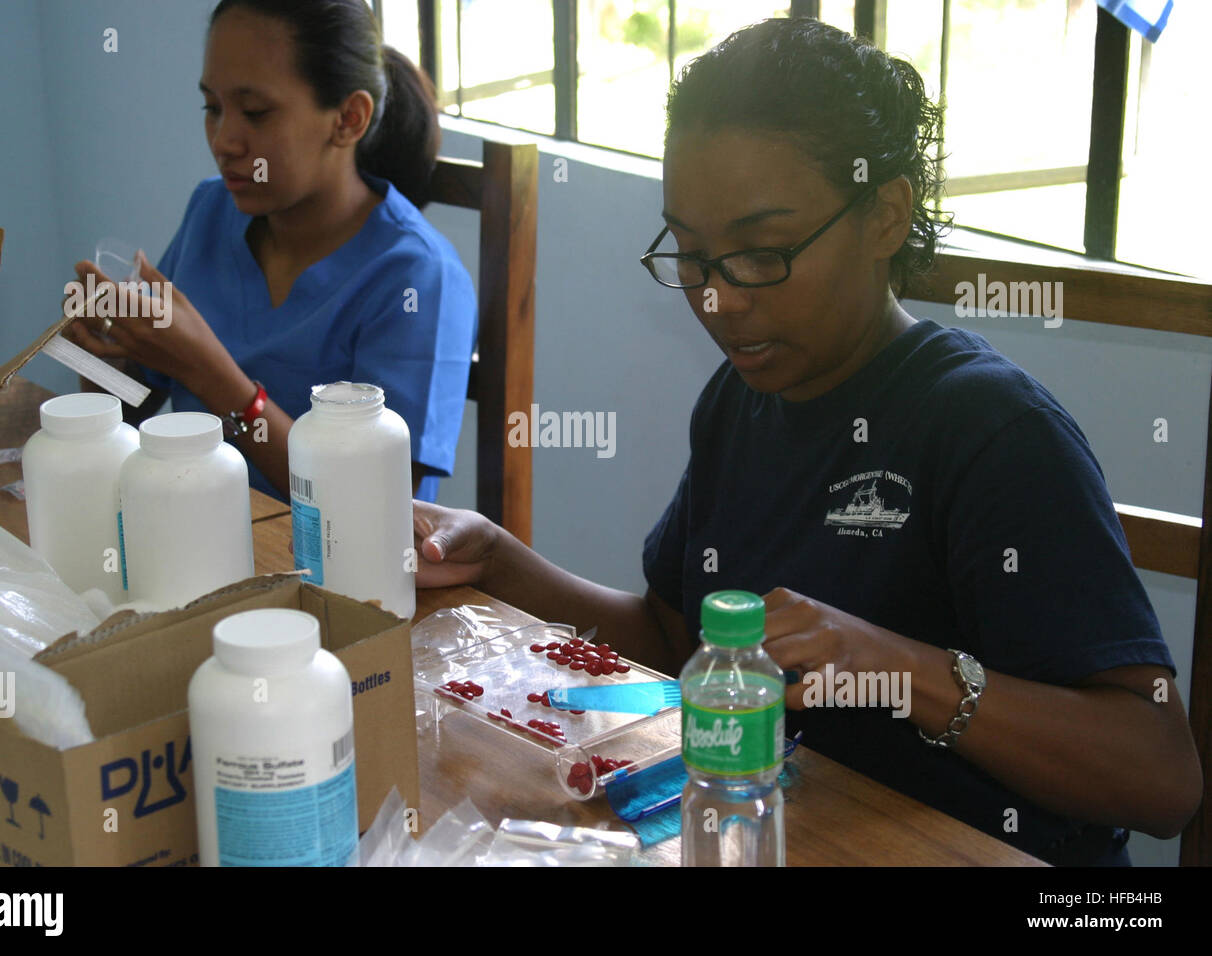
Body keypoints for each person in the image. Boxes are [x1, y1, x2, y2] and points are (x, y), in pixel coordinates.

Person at [411, 17, 1202, 865]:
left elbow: (1160, 779)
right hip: (804, 830)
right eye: (692, 253)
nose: (717, 301)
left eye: (760, 255)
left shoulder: (990, 433)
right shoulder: (741, 400)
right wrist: (496, 560)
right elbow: (683, 647)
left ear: (885, 215)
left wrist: (899, 669)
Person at [63, 0, 476, 502]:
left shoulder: (415, 278)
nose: (224, 141)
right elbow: (135, 408)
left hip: (333, 571)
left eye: (255, 112)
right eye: (212, 108)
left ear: (348, 118)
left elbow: (374, 508)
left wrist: (212, 375)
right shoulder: (211, 211)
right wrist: (99, 360)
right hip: (197, 530)